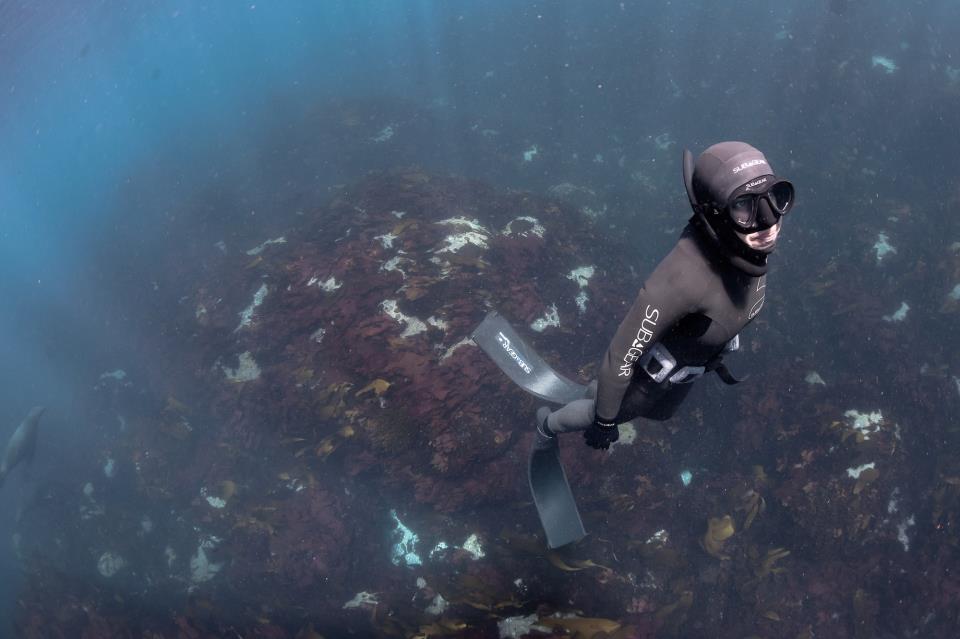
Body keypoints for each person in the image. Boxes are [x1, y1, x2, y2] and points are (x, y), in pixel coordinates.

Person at [536, 141, 795, 449]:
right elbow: (620, 356)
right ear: (715, 213)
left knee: (661, 414)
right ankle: (547, 426)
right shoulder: (683, 279)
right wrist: (604, 421)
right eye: (743, 205)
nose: (768, 221)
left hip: (690, 365)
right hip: (654, 374)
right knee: (607, 413)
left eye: (775, 197)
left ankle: (598, 391)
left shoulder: (748, 248)